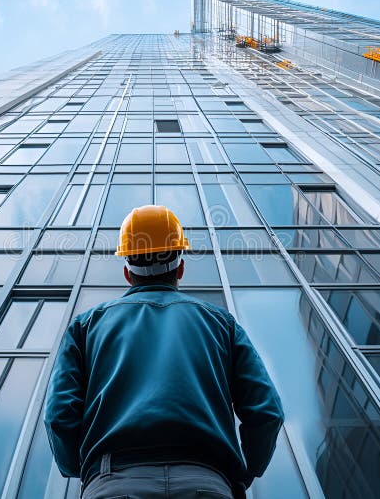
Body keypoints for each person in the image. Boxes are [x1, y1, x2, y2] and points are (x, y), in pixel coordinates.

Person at [45, 205, 284, 499]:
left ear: (127, 272)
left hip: (112, 482)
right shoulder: (222, 324)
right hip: (207, 481)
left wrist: (84, 471)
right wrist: (244, 473)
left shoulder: (85, 327)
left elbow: (59, 416)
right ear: (180, 267)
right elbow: (266, 411)